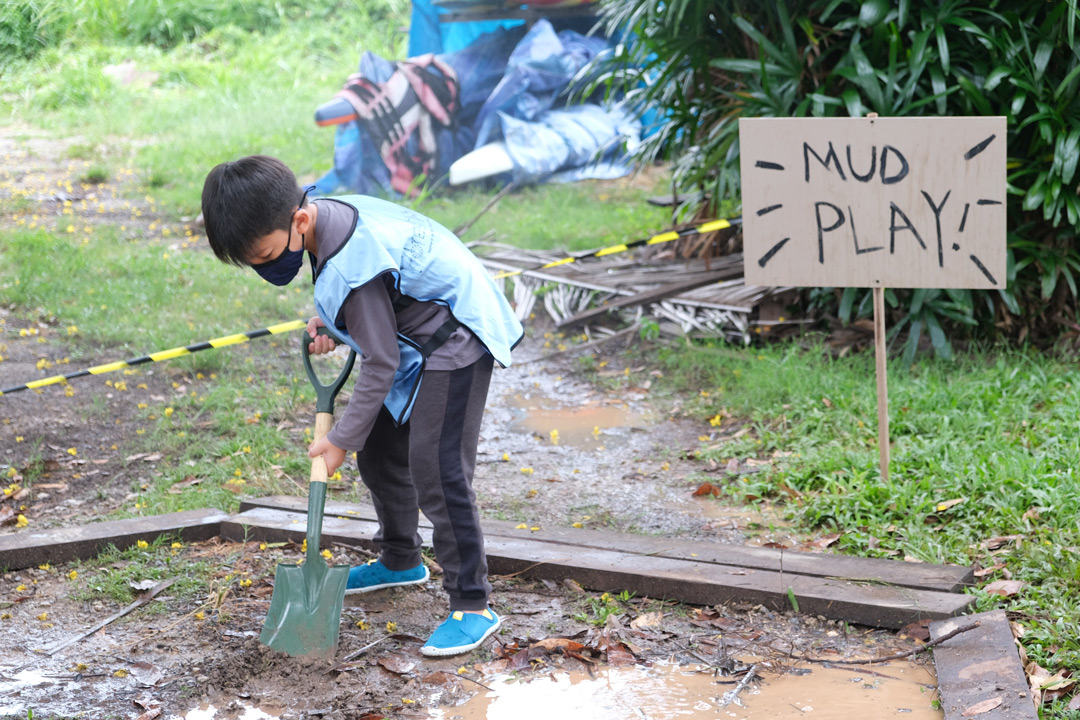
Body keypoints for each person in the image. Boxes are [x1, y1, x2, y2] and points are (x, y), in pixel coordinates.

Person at [201, 155, 523, 657]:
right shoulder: (321, 217)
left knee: (437, 469)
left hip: (457, 337)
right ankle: (400, 560)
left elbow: (381, 361)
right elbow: (369, 303)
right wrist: (335, 322)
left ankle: (473, 603)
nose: (266, 269)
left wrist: (338, 440)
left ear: (298, 220)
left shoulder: (351, 256)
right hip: (418, 333)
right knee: (380, 452)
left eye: (265, 256)